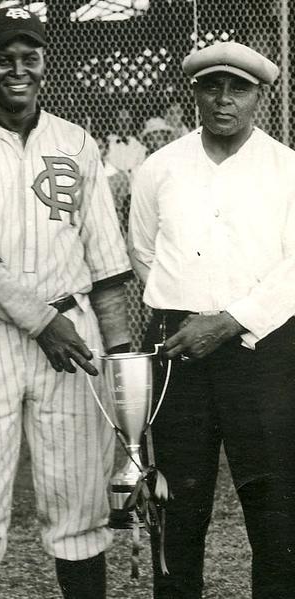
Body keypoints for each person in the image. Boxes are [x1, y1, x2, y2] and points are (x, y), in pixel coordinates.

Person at [0, 8, 133, 598]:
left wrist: (121, 364)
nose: (18, 69)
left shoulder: (76, 142)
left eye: (29, 57)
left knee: (79, 510)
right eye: (3, 57)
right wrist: (43, 321)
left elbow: (108, 265)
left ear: (44, 61)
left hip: (72, 331)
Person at [128, 41, 295, 598]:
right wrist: (187, 309)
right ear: (194, 91)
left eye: (239, 89)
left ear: (260, 97)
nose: (224, 100)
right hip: (179, 352)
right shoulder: (160, 167)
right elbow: (144, 254)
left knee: (275, 512)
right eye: (211, 86)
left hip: (262, 350)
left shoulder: (286, 168)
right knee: (178, 508)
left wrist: (229, 319)